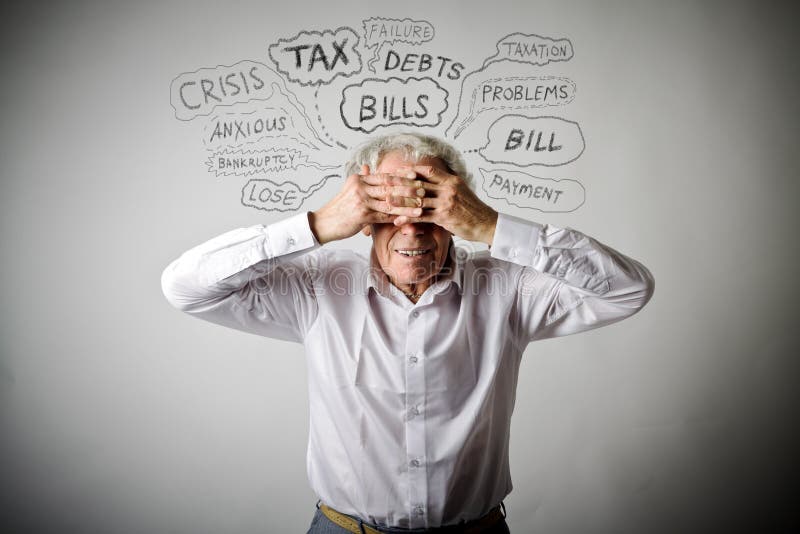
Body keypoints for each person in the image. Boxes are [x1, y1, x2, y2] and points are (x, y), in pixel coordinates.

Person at [161, 132, 654, 533]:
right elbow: (186, 287)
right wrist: (318, 224)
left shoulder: (508, 289)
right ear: (363, 219)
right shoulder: (316, 288)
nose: (412, 229)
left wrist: (492, 226)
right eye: (390, 209)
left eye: (430, 208)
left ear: (457, 214)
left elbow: (628, 290)